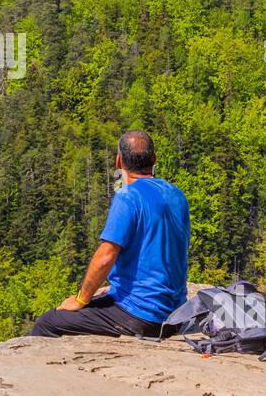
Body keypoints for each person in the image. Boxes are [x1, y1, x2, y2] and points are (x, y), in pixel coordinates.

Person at [30, 130, 190, 338]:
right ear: (154, 159)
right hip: (176, 314)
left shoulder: (128, 197)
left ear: (118, 161)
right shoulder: (177, 195)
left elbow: (105, 257)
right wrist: (119, 287)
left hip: (143, 317)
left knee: (47, 323)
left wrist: (81, 299)